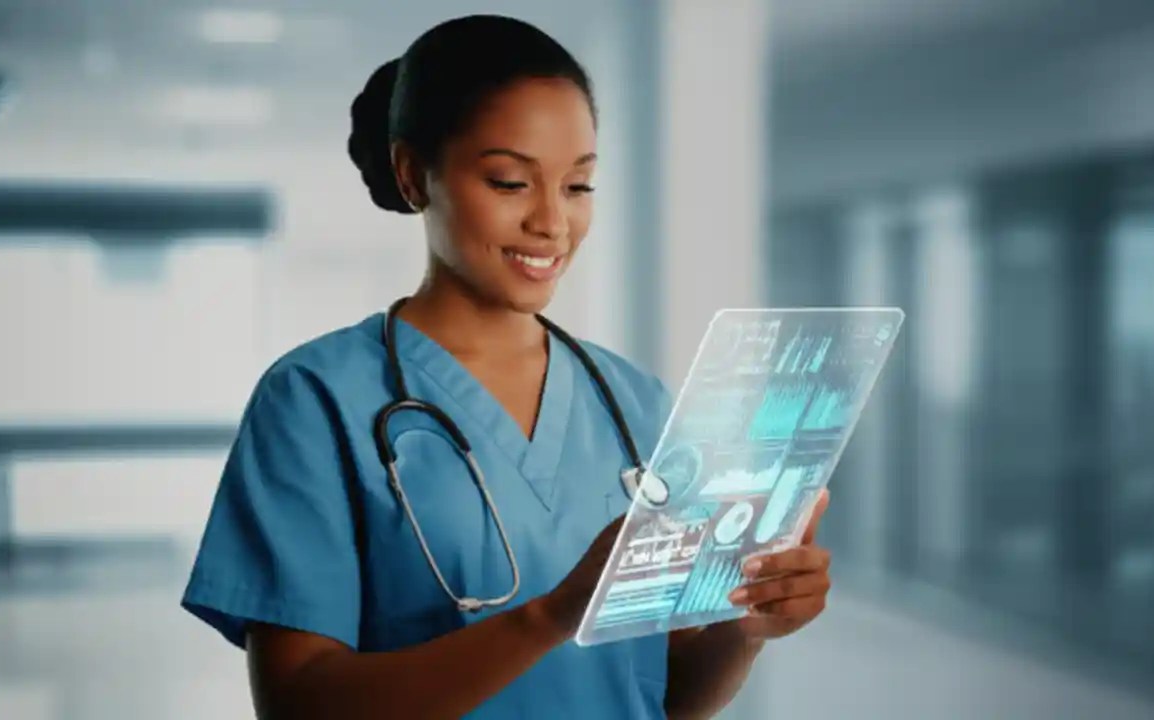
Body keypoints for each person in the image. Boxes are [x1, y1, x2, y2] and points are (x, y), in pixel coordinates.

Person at [181, 14, 832, 720]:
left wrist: (745, 628)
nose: (552, 222)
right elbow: (298, 702)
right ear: (413, 174)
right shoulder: (316, 399)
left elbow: (659, 695)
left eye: (578, 186)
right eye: (510, 182)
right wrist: (550, 616)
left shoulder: (635, 402)